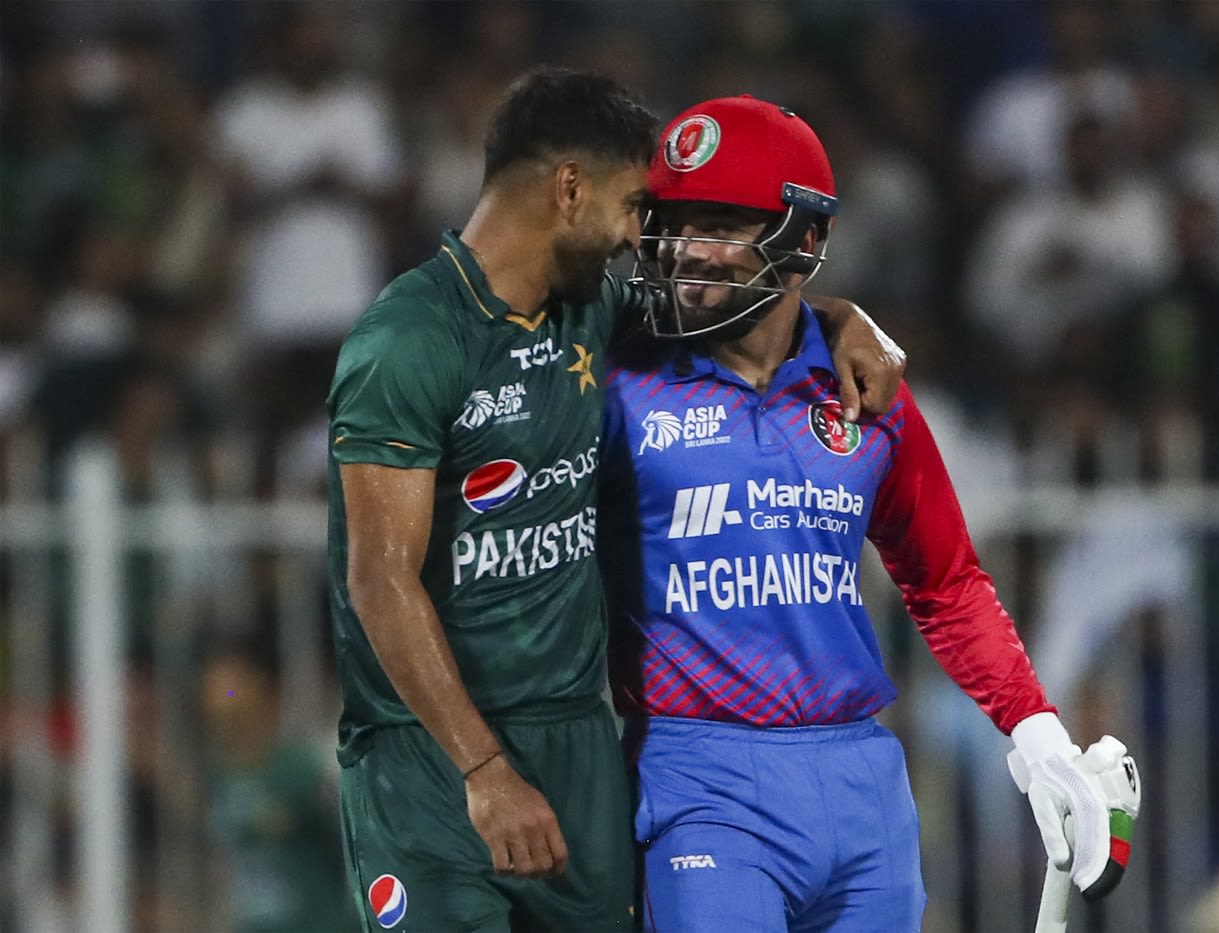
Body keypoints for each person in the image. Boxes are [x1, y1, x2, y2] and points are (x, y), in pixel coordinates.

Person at [326, 68, 904, 933]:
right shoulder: (408, 339)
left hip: (576, 747)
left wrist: (844, 317)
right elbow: (379, 580)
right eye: (635, 205)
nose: (642, 237)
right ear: (569, 188)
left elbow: (739, 303)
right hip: (430, 759)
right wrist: (485, 771)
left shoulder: (592, 308)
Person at [597, 94, 1140, 932]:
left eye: (722, 225)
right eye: (675, 225)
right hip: (696, 777)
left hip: (864, 790)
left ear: (805, 239)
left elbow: (945, 582)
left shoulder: (869, 390)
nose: (689, 250)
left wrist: (1037, 736)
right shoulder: (615, 378)